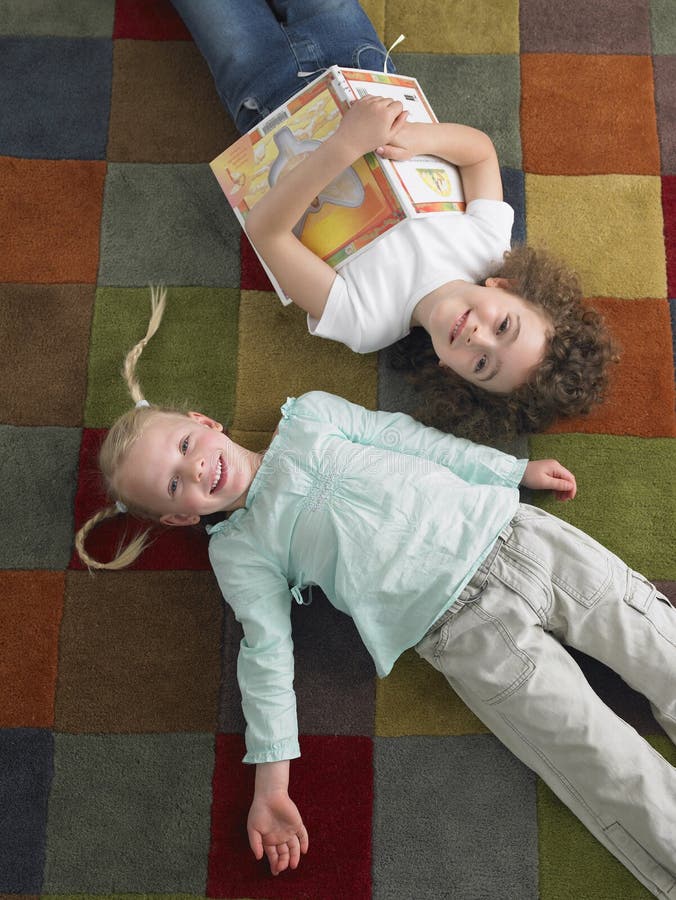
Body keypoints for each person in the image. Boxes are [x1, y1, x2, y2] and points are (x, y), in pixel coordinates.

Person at [76, 288, 676, 896]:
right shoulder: (238, 549)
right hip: (463, 635)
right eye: (175, 487)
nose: (196, 470)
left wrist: (510, 471)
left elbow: (411, 441)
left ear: (204, 423)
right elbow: (265, 655)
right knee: (598, 756)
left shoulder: (311, 414)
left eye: (185, 447)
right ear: (179, 520)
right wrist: (271, 784)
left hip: (517, 536)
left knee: (658, 642)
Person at [170, 0, 617, 438]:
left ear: (453, 374)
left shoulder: (367, 322)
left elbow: (267, 233)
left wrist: (345, 146)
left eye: (482, 366)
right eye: (504, 326)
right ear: (508, 288)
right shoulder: (486, 246)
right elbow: (479, 153)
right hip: (352, 53)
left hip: (263, 93)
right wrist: (418, 138)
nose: (478, 338)